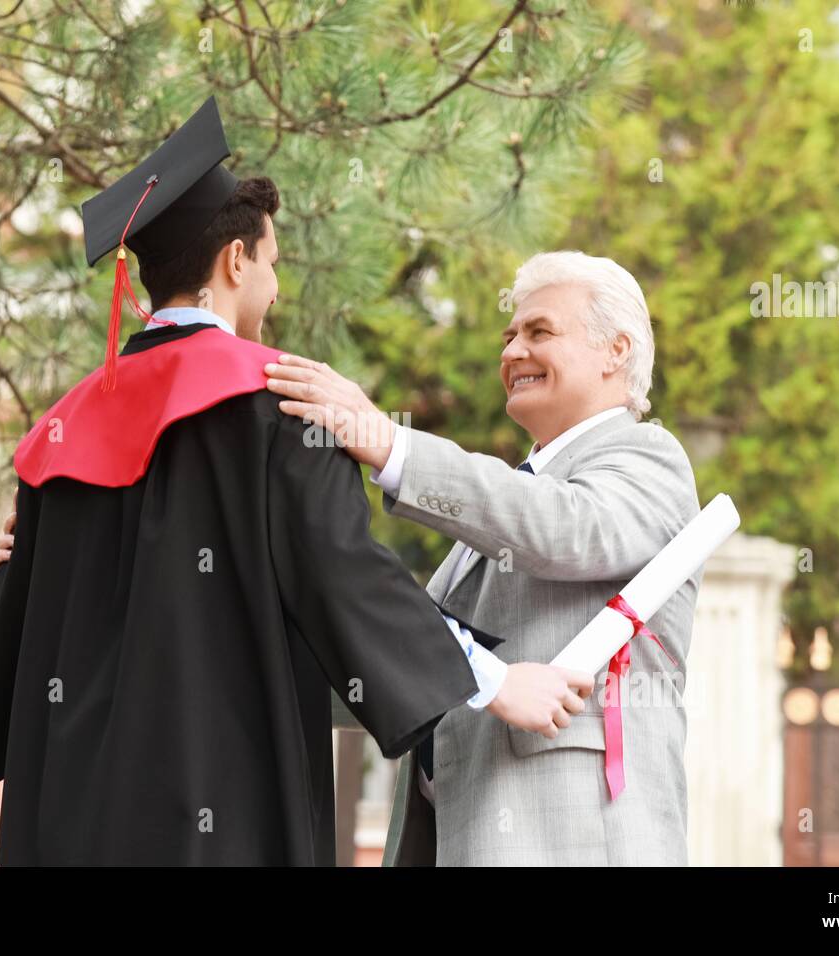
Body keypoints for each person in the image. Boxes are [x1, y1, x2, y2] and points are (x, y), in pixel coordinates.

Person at [0, 98, 592, 865]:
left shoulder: (60, 432)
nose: (276, 289)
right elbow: (339, 573)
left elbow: (9, 650)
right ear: (236, 262)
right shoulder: (282, 401)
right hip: (221, 811)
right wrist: (492, 680)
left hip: (70, 822)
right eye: (273, 263)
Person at [265, 251, 702, 865]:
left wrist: (389, 443)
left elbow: (564, 529)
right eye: (510, 335)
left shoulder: (648, 460)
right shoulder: (501, 514)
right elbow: (426, 664)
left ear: (617, 351)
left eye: (539, 331)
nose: (512, 352)